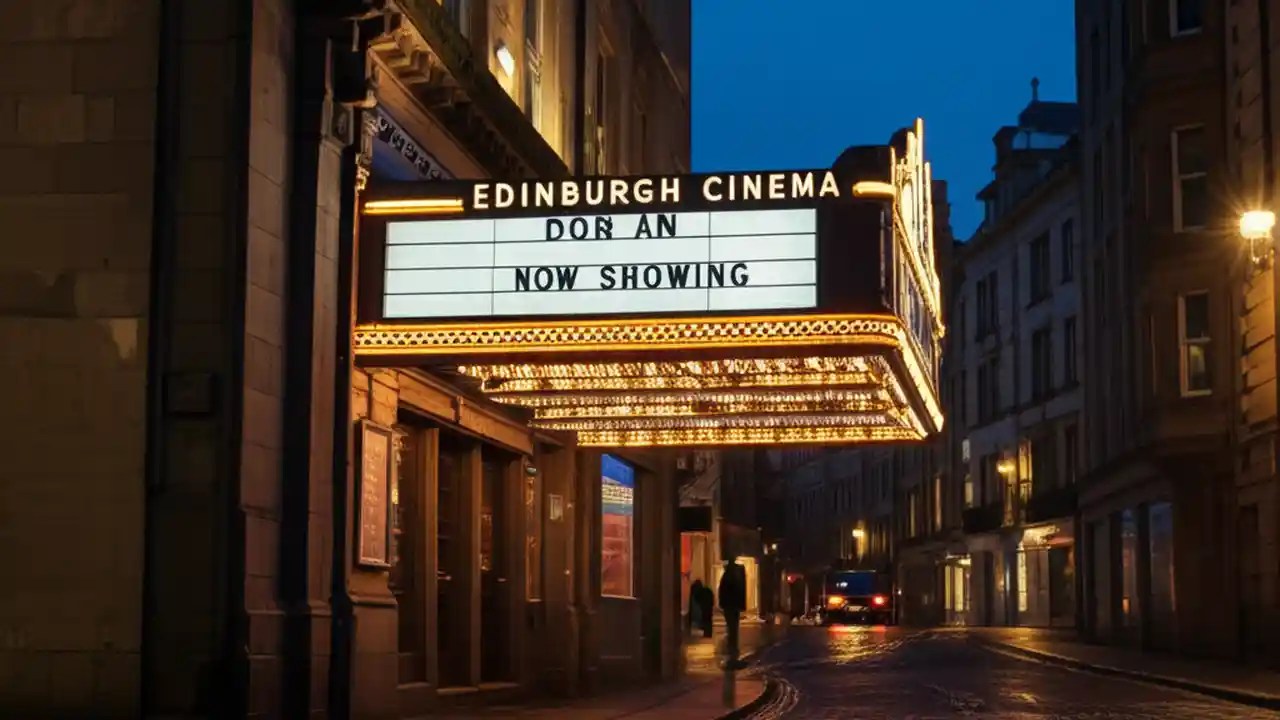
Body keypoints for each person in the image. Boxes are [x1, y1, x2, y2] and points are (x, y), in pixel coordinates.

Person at [717, 560, 746, 666]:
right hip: (733, 606)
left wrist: (722, 604)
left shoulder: (728, 577)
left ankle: (732, 646)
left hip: (730, 606)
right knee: (733, 627)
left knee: (731, 627)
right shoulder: (734, 577)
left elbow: (723, 591)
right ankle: (733, 646)